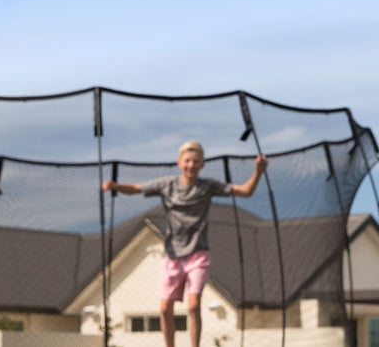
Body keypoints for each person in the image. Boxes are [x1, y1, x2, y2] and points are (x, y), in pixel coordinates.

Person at [102, 141, 268, 347]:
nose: (191, 165)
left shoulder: (207, 187)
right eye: (187, 161)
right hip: (172, 256)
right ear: (179, 162)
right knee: (164, 308)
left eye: (196, 161)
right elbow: (136, 188)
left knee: (193, 305)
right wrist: (115, 186)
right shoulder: (167, 185)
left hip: (198, 254)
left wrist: (258, 172)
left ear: (202, 165)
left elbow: (245, 191)